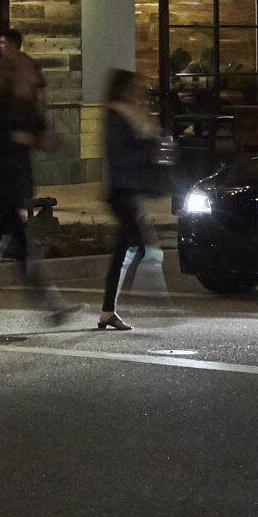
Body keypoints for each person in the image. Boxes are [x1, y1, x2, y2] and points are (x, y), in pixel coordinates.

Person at [0, 27, 75, 331]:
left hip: (8, 185)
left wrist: (31, 136)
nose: (34, 82)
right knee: (20, 246)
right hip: (3, 185)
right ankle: (52, 307)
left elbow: (42, 136)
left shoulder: (15, 106)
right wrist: (23, 137)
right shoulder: (1, 106)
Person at [98, 69, 168, 331]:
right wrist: (150, 144)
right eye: (136, 87)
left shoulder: (132, 117)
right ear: (124, 90)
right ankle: (155, 304)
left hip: (129, 191)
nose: (142, 92)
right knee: (144, 247)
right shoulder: (118, 116)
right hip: (122, 191)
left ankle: (108, 311)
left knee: (126, 250)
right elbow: (123, 155)